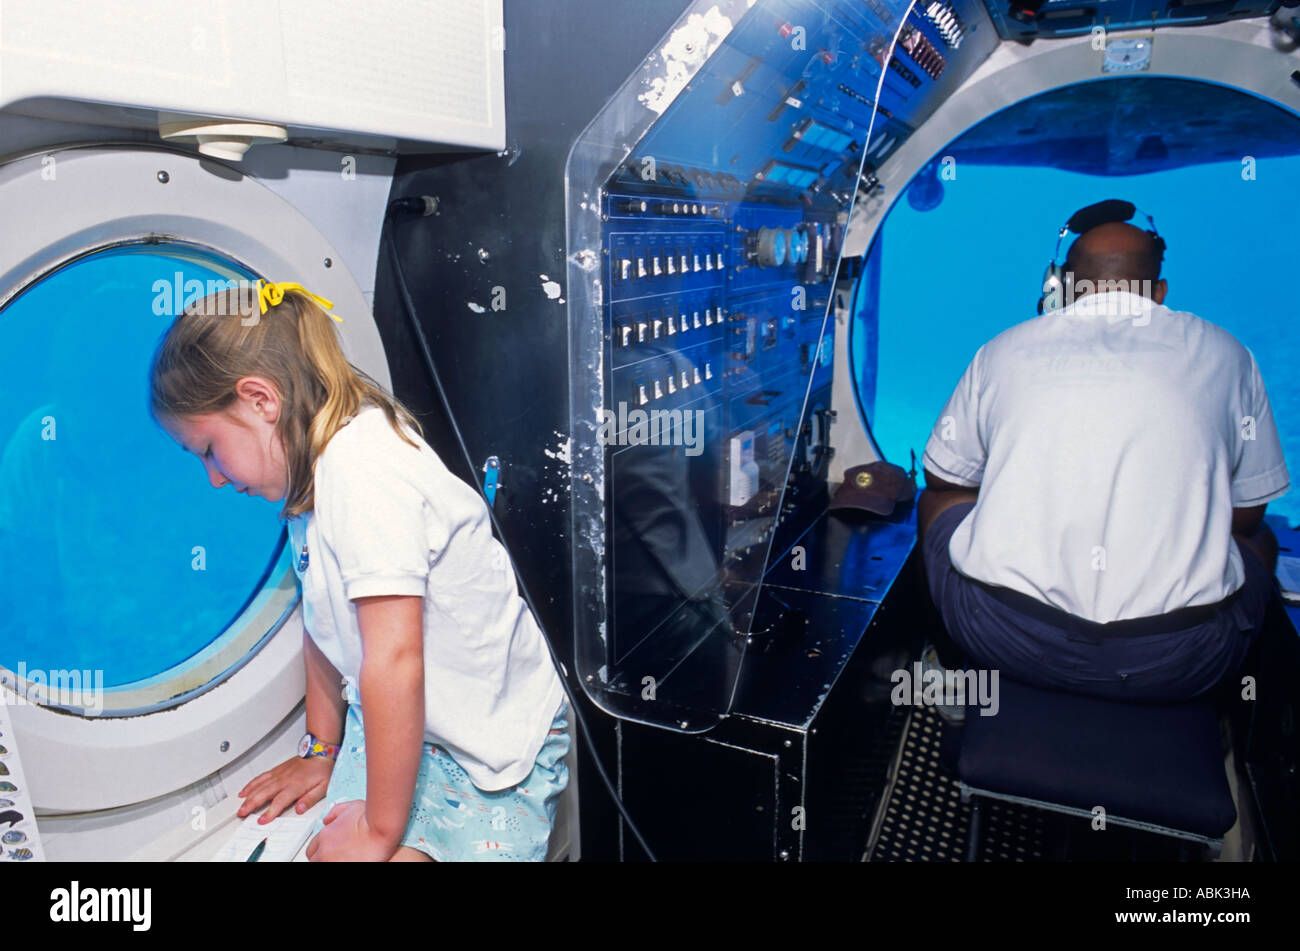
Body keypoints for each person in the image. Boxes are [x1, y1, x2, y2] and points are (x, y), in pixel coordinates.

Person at [149, 281, 569, 861]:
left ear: (260, 400)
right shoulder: (310, 475)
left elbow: (396, 662)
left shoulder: (363, 475)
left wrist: (376, 833)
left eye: (208, 449)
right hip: (408, 729)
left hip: (486, 750)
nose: (214, 478)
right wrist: (322, 748)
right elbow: (325, 618)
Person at [918, 218, 1288, 707]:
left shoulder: (1003, 349)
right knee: (1260, 538)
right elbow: (1246, 515)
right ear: (1159, 291)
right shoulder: (1230, 354)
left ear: (1064, 287)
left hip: (1001, 637)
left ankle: (949, 674)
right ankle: (1232, 719)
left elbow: (944, 476)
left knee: (940, 498)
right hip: (1179, 660)